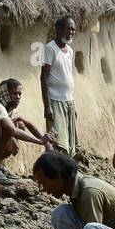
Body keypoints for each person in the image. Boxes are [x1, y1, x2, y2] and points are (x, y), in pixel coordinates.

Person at [0, 78, 56, 189]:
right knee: (9, 131)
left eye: (20, 94)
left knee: (20, 123)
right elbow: (10, 130)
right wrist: (40, 141)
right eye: (14, 93)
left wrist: (47, 145)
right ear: (5, 93)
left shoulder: (10, 110)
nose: (18, 97)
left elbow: (28, 124)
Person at [40, 15, 79, 156]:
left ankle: (61, 173)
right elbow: (43, 77)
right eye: (68, 28)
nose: (71, 32)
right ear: (58, 29)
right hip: (55, 102)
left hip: (68, 102)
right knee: (57, 142)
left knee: (68, 142)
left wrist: (72, 105)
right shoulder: (50, 49)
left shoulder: (70, 51)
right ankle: (51, 172)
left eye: (73, 29)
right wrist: (47, 106)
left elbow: (67, 76)